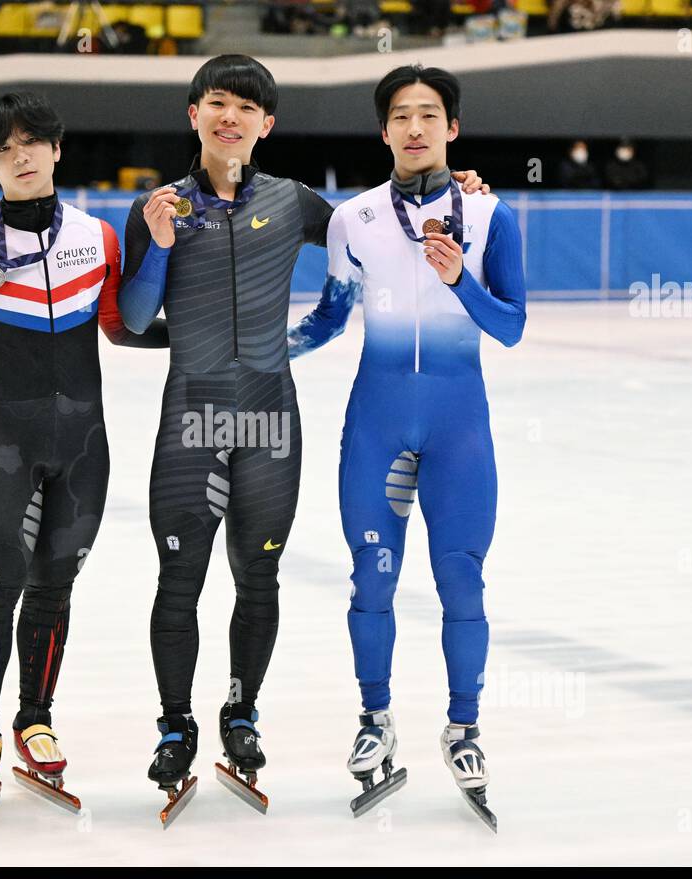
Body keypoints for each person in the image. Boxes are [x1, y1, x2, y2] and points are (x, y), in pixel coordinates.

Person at [116, 54, 488, 818]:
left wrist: (463, 193)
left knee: (259, 579)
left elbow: (380, 228)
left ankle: (242, 714)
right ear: (194, 114)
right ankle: (176, 726)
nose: (230, 118)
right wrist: (154, 245)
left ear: (266, 125)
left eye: (246, 109)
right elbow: (127, 317)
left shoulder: (294, 203)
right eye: (217, 104)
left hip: (268, 419)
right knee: (178, 581)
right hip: (191, 415)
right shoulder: (160, 206)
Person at [287, 64, 526, 829]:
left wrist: (461, 281)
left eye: (429, 115)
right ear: (383, 130)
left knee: (462, 582)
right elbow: (329, 317)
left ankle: (464, 726)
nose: (415, 127)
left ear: (452, 129)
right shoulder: (351, 221)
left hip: (460, 426)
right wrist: (265, 349)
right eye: (401, 115)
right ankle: (376, 715)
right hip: (378, 424)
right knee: (373, 579)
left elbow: (513, 327)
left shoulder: (492, 218)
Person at [0, 91, 166, 830]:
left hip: (84, 446)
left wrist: (203, 333)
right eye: (3, 150)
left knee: (55, 589)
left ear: (57, 150)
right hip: (7, 442)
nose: (20, 156)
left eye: (32, 142)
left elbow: (125, 327)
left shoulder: (97, 236)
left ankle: (35, 718)